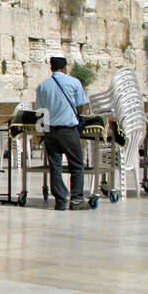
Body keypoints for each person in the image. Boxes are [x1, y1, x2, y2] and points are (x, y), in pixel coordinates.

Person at [35, 55, 92, 210]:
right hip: (68, 130)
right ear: (65, 67)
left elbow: (40, 112)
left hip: (50, 131)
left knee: (55, 166)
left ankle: (60, 200)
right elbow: (81, 106)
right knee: (76, 164)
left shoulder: (42, 86)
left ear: (51, 68)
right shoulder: (74, 83)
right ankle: (76, 200)